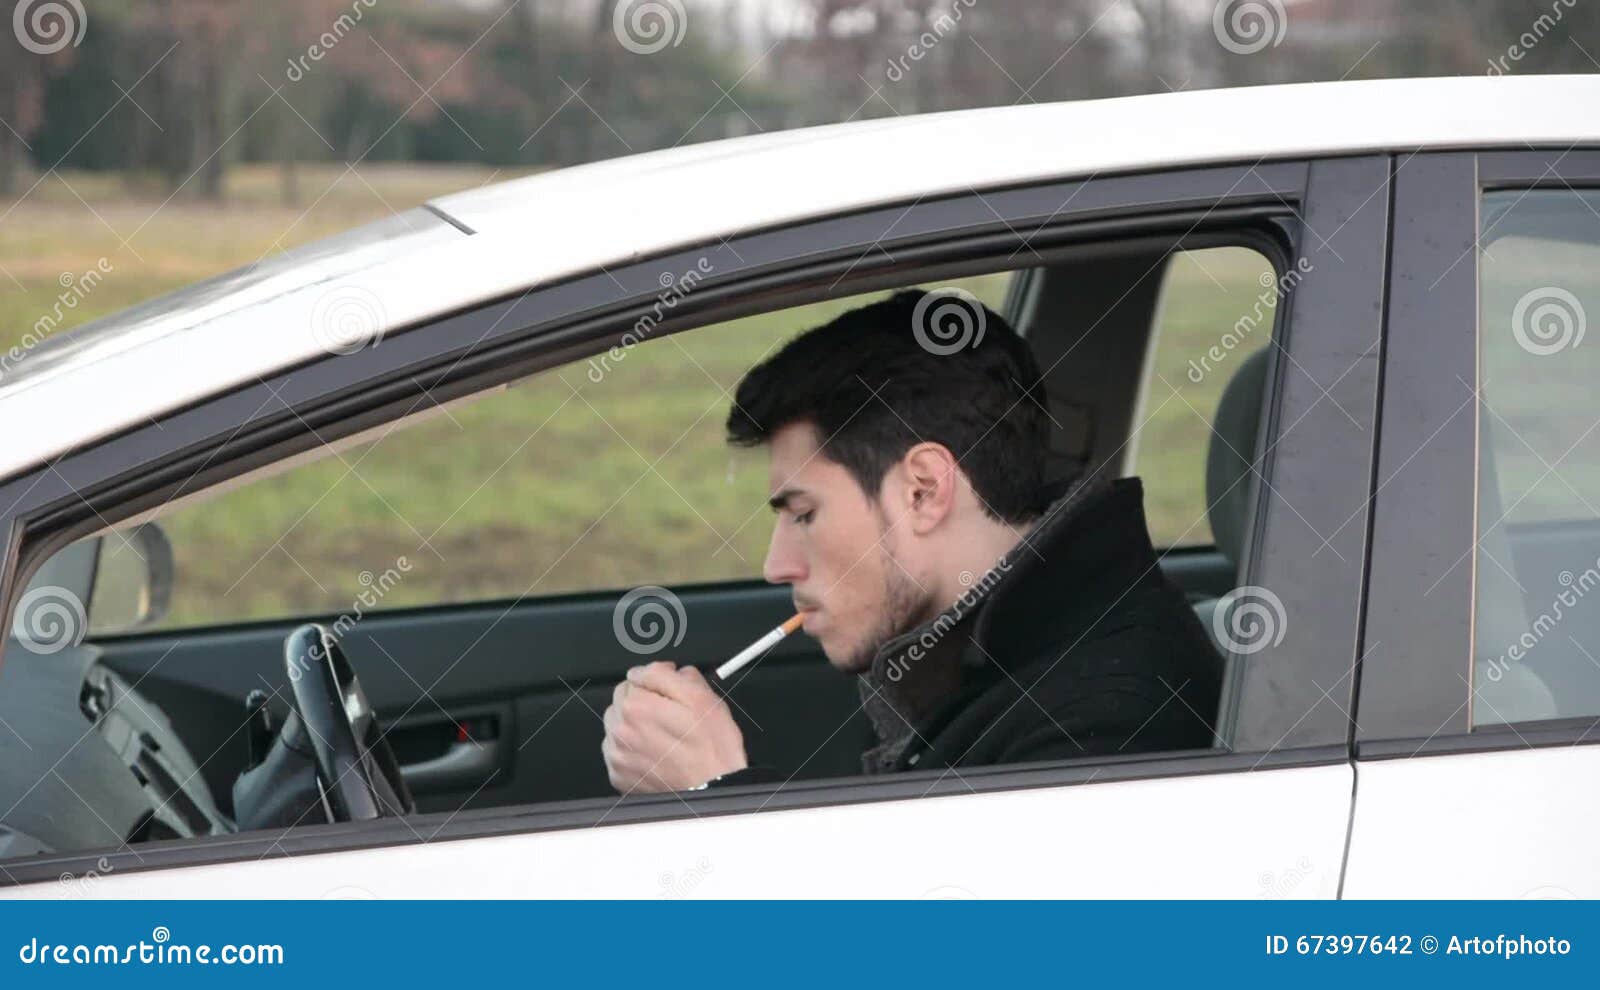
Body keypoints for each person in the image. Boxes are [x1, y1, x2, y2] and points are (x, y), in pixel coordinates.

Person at [600, 289, 1223, 793]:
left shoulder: (1108, 719)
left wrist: (716, 788)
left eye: (804, 514)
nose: (775, 566)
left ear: (922, 491)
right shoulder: (997, 663)